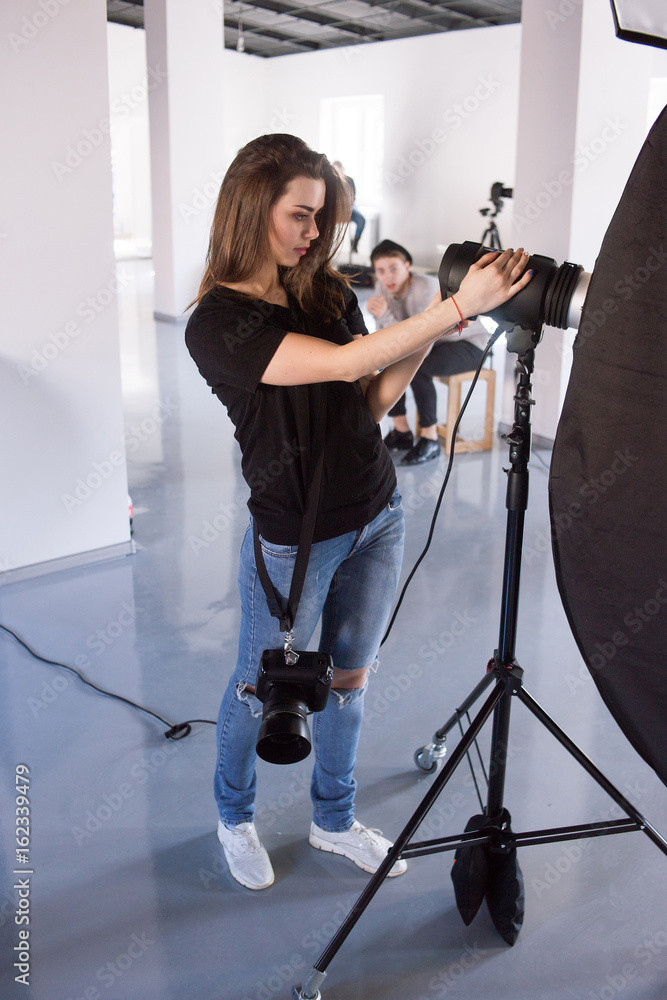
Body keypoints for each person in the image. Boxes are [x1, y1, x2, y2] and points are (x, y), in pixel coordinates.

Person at [185, 133, 531, 890]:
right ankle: (234, 816)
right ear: (250, 210)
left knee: (349, 680)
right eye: (301, 216)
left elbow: (366, 397)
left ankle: (332, 821)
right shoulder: (216, 325)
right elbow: (343, 362)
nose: (315, 234)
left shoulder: (328, 293)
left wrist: (445, 325)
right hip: (293, 539)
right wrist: (449, 305)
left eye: (322, 218)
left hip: (377, 511)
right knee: (259, 685)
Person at [368, 239, 490, 465]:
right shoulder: (381, 288)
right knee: (389, 361)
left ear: (407, 266)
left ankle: (430, 439)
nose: (388, 277)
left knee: (418, 367)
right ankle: (401, 432)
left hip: (471, 344)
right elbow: (388, 339)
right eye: (381, 271)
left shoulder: (427, 289)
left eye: (394, 269)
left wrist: (385, 316)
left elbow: (420, 338)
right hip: (437, 343)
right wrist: (381, 321)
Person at [333, 160, 365, 253]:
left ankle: (354, 243)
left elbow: (353, 196)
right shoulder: (330, 182)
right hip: (336, 209)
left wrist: (348, 205)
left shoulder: (349, 180)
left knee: (361, 220)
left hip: (350, 207)